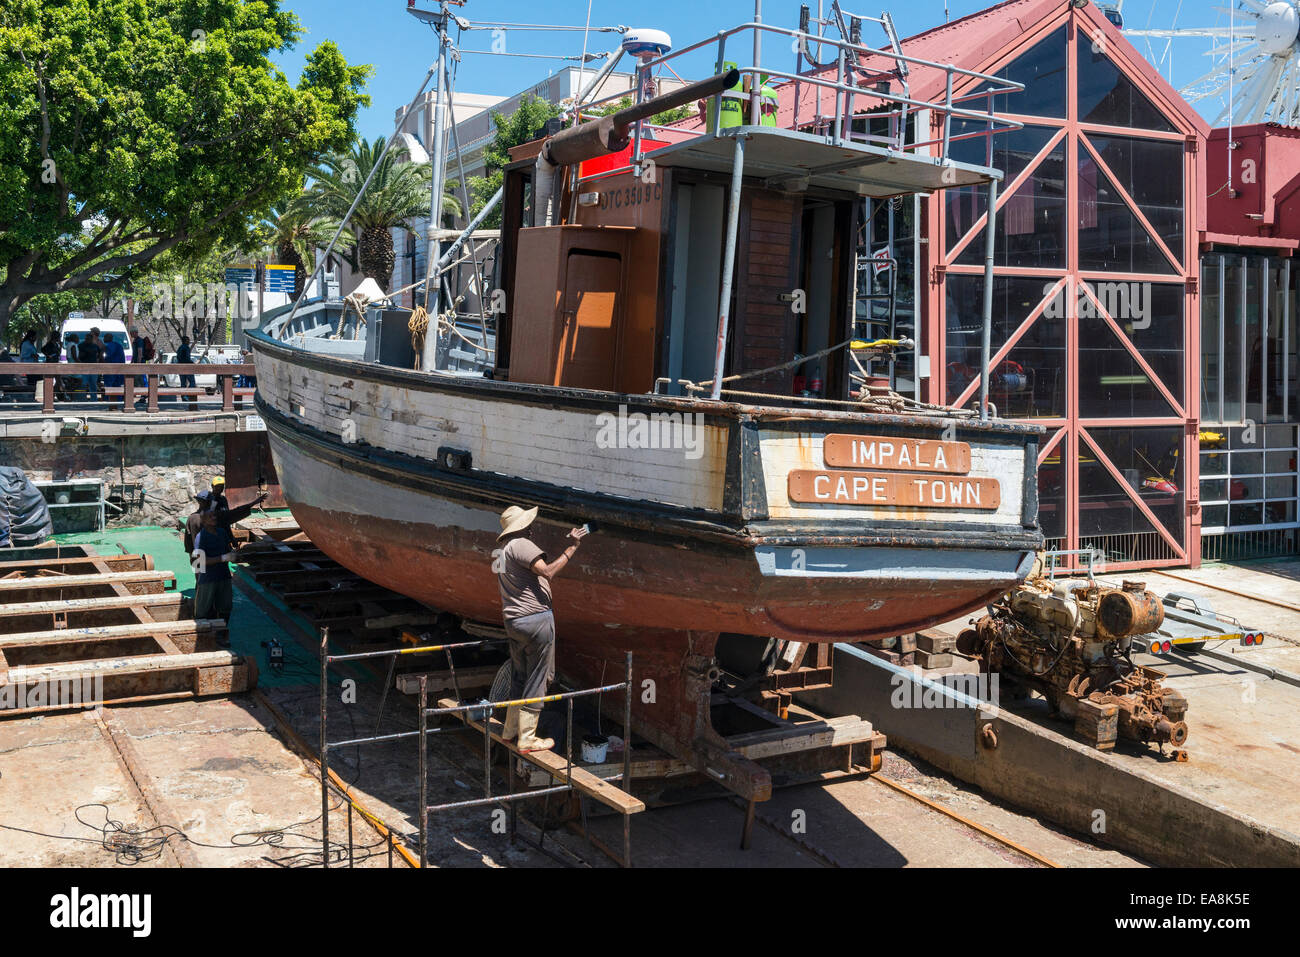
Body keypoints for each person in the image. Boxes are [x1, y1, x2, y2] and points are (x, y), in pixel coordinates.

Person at [494, 504, 589, 752]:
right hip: (536, 620)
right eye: (529, 524)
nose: (532, 528)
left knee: (520, 676)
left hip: (513, 621)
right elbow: (547, 572)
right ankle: (527, 737)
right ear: (523, 526)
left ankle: (510, 730)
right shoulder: (521, 544)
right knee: (540, 676)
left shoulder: (502, 550)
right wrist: (572, 548)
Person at [192, 503, 235, 640]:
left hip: (223, 576)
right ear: (203, 521)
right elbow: (200, 561)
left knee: (225, 606)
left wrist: (233, 555)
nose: (214, 517)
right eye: (210, 516)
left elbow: (227, 549)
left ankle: (222, 635)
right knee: (202, 609)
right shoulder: (201, 537)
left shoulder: (222, 532)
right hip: (208, 578)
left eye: (214, 515)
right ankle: (202, 637)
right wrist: (223, 558)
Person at [181, 485, 267, 554]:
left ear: (199, 501)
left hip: (197, 558)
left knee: (201, 574)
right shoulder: (216, 516)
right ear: (210, 502)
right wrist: (254, 502)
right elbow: (235, 512)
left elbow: (188, 544)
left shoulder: (191, 518)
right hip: (213, 557)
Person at [79, 328, 103, 401]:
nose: (87, 340)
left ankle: (94, 399)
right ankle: (82, 399)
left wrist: (99, 362)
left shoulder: (95, 346)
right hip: (84, 367)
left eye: (89, 338)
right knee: (83, 384)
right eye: (86, 338)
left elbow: (100, 354)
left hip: (94, 367)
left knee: (93, 384)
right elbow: (79, 356)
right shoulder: (81, 345)